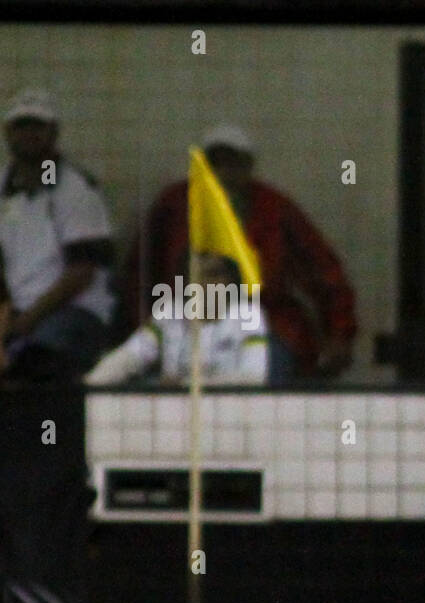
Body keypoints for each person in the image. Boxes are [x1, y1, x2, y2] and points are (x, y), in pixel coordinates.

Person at [122, 125, 356, 385]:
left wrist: (339, 334)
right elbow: (140, 274)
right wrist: (143, 326)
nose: (224, 174)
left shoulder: (275, 210)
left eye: (233, 165)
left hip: (267, 323)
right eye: (215, 164)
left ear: (248, 168)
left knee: (265, 375)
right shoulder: (173, 206)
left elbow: (324, 273)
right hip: (187, 322)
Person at [0, 88, 115, 382]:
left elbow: (81, 273)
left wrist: (25, 322)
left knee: (35, 361)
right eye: (20, 125)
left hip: (75, 311)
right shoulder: (3, 185)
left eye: (37, 126)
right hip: (18, 312)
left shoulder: (76, 189)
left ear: (53, 132)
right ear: (7, 132)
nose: (28, 134)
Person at [84, 254, 267, 386]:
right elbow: (130, 356)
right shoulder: (171, 312)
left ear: (230, 281)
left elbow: (252, 378)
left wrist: (185, 385)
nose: (203, 283)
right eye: (196, 275)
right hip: (172, 410)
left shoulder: (248, 316)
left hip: (227, 413)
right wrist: (89, 384)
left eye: (212, 275)